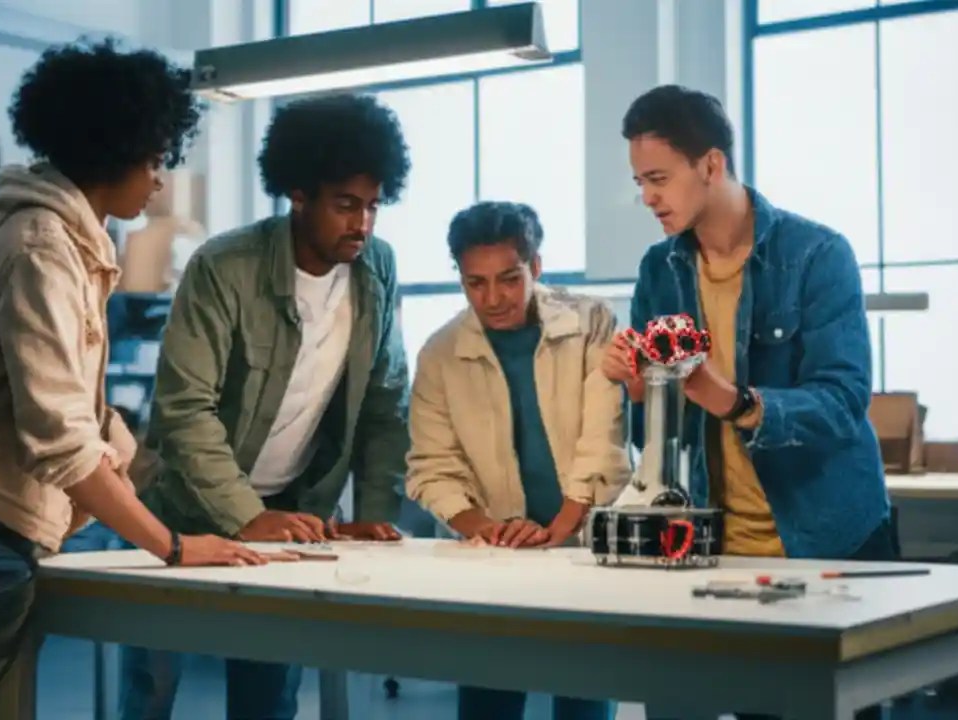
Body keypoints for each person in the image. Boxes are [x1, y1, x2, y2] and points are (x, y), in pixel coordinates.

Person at [0, 38, 265, 720]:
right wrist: (173, 545)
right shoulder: (43, 250)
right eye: (152, 161)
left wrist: (153, 470)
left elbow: (74, 414)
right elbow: (58, 440)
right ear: (111, 155)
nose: (160, 180)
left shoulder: (67, 244)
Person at [120, 92, 413, 720]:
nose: (362, 224)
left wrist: (374, 514)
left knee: (269, 690)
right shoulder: (225, 267)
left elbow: (386, 404)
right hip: (185, 509)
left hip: (294, 518)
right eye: (345, 205)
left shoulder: (378, 270)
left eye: (372, 206)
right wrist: (246, 513)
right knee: (152, 689)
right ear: (298, 194)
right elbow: (183, 409)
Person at [604, 85, 894, 720]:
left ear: (711, 165)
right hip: (712, 548)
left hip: (823, 541)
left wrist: (731, 399)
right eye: (639, 181)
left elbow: (844, 400)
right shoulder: (661, 271)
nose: (646, 197)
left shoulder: (817, 254)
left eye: (658, 178)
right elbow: (659, 438)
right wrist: (638, 391)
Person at [406, 201, 627, 720]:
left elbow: (604, 435)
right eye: (474, 283)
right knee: (488, 697)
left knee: (585, 698)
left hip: (585, 545)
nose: (493, 298)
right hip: (491, 557)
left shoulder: (591, 321)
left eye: (508, 279)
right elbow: (432, 468)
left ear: (536, 267)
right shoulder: (439, 354)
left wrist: (562, 525)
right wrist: (491, 530)